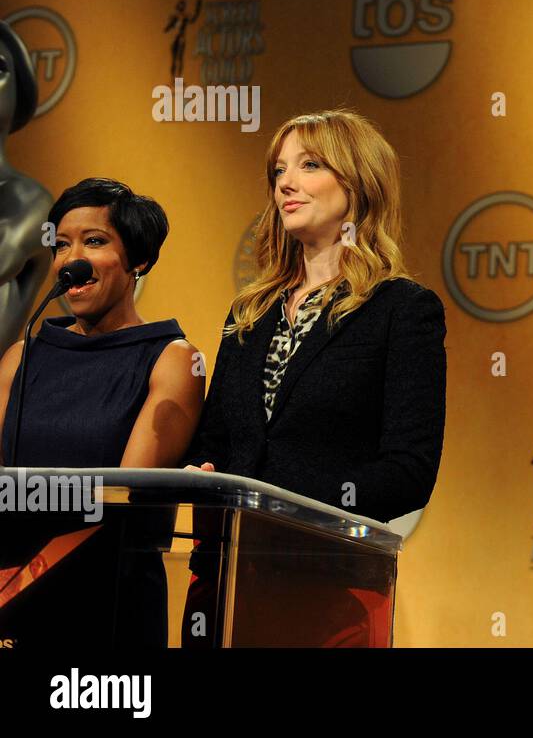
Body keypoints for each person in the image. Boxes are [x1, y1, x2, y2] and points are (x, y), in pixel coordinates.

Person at [183, 108, 447, 524]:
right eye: (278, 171)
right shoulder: (249, 312)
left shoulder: (401, 309)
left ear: (360, 181)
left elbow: (408, 471)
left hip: (326, 565)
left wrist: (296, 507)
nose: (286, 183)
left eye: (310, 165)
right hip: (224, 560)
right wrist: (203, 471)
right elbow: (214, 441)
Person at [0, 177, 202, 648]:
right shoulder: (21, 355)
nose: (73, 260)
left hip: (108, 602)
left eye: (94, 241)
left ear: (139, 259)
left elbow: (123, 501)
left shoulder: (171, 358)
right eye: (62, 245)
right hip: (13, 597)